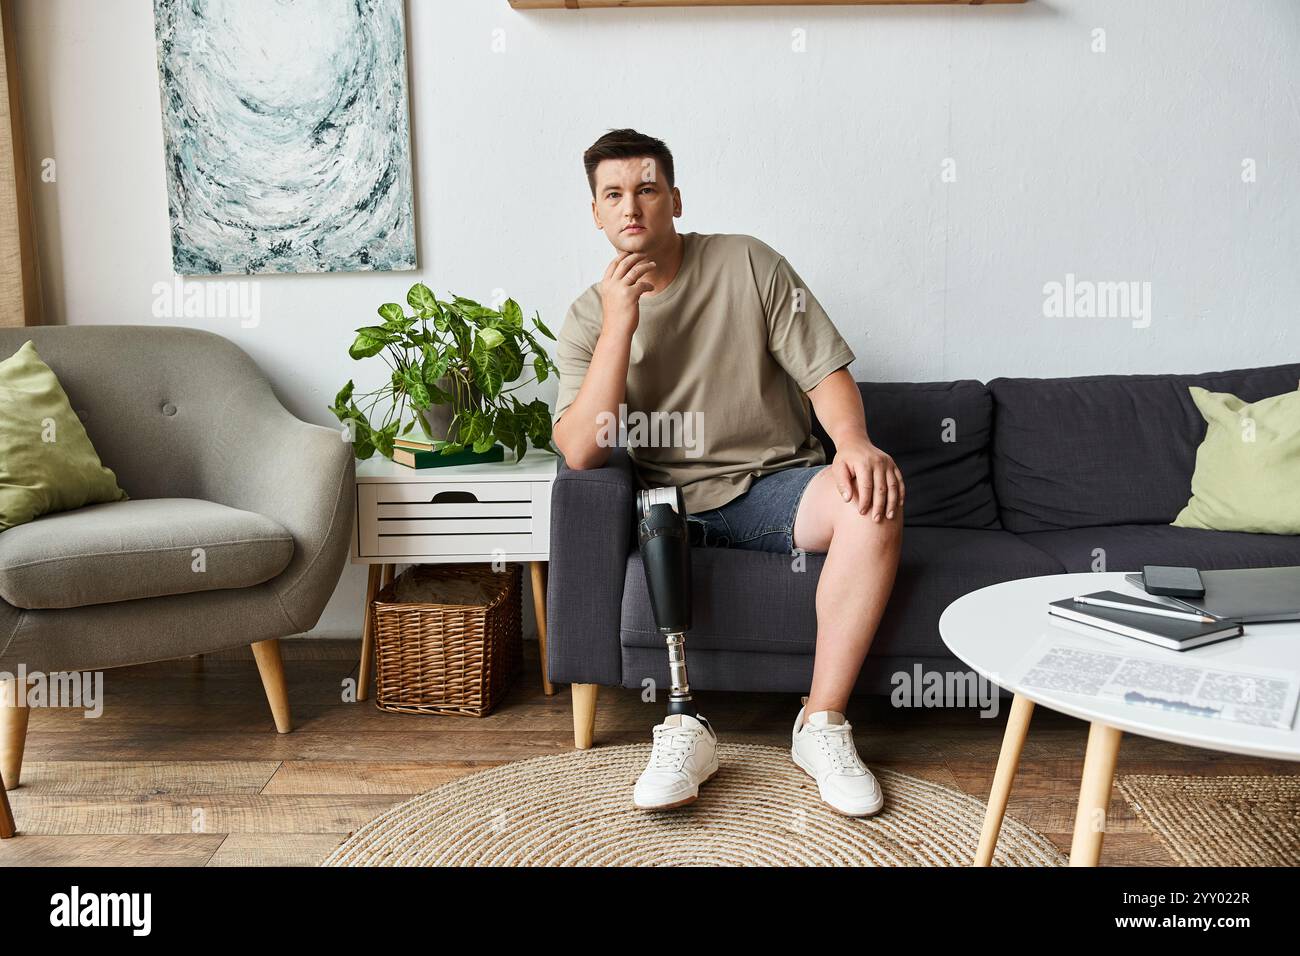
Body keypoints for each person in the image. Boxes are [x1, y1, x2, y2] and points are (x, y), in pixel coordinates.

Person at [551, 129, 904, 817]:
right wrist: (622, 323)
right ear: (595, 212)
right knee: (646, 503)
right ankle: (684, 725)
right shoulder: (588, 316)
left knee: (873, 503)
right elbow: (583, 451)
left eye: (647, 189)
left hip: (773, 485)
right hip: (666, 504)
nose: (632, 207)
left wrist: (855, 442)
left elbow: (822, 370)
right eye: (614, 194)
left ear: (675, 198)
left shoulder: (749, 264)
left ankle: (820, 724)